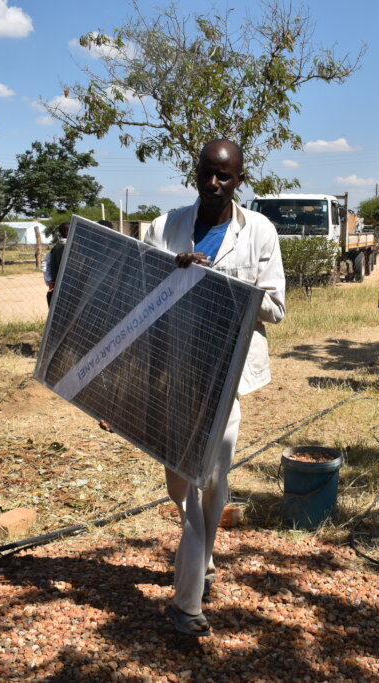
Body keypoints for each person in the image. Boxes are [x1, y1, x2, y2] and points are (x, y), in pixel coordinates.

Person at [133, 139, 285, 636]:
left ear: (240, 179)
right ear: (196, 172)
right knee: (179, 482)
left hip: (226, 377)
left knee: (208, 480)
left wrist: (218, 285)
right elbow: (141, 303)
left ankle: (187, 604)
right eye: (207, 174)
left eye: (225, 176)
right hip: (176, 372)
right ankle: (204, 556)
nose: (214, 184)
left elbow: (276, 309)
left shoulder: (259, 231)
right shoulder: (165, 227)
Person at [44, 222, 68, 306]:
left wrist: (49, 281)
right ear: (67, 232)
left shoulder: (56, 247)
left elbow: (47, 264)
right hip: (67, 285)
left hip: (57, 284)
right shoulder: (69, 247)